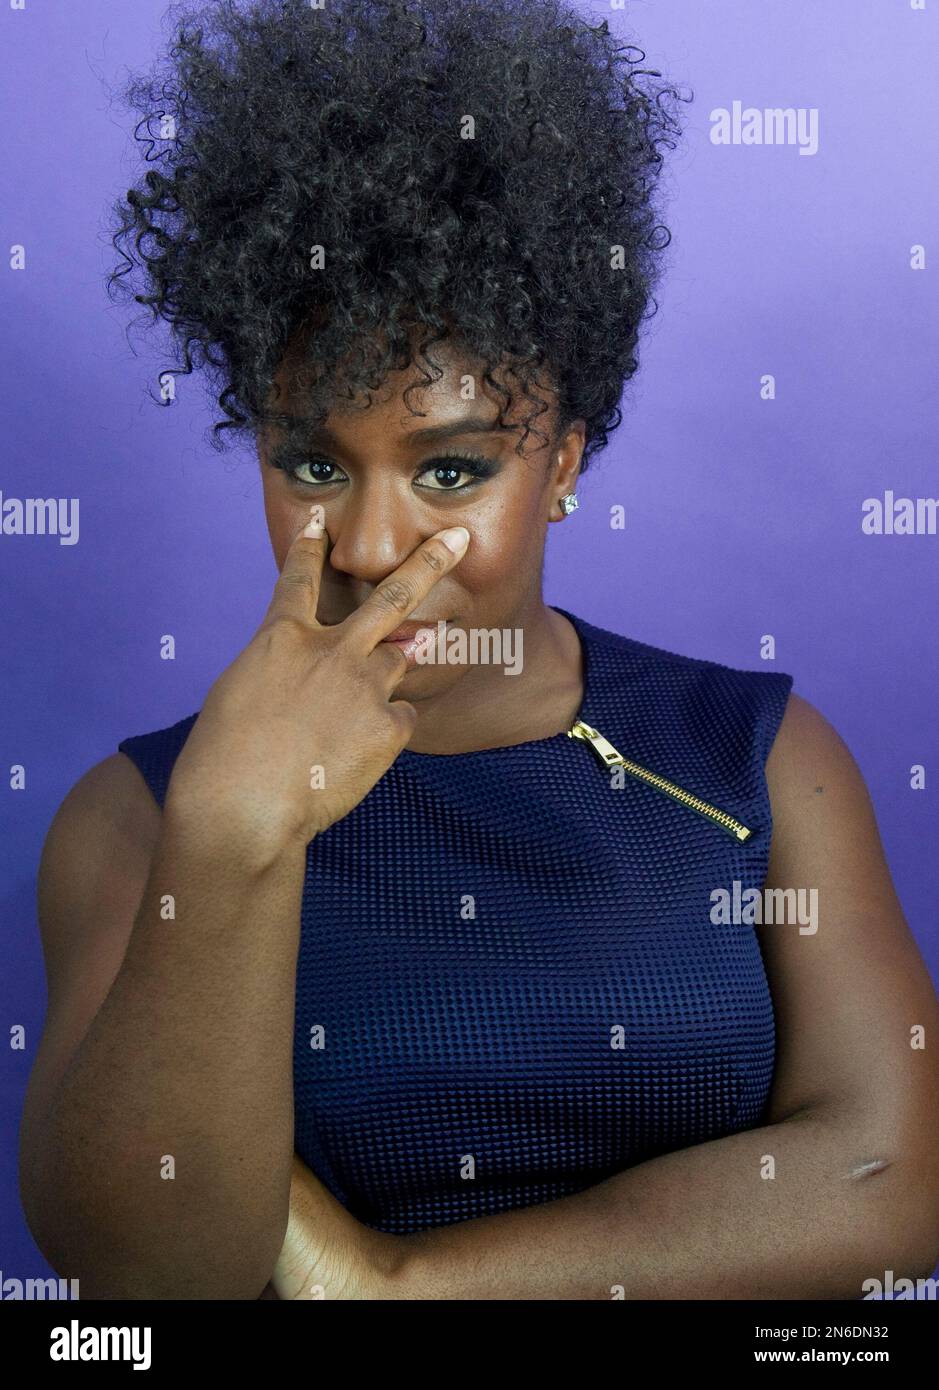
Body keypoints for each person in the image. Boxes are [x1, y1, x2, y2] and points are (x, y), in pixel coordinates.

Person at [18, 0, 939, 1300]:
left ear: (561, 463)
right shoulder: (141, 818)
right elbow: (146, 1275)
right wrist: (236, 835)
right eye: (312, 462)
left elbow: (889, 1175)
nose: (375, 540)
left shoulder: (757, 760)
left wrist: (398, 1282)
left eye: (451, 467)